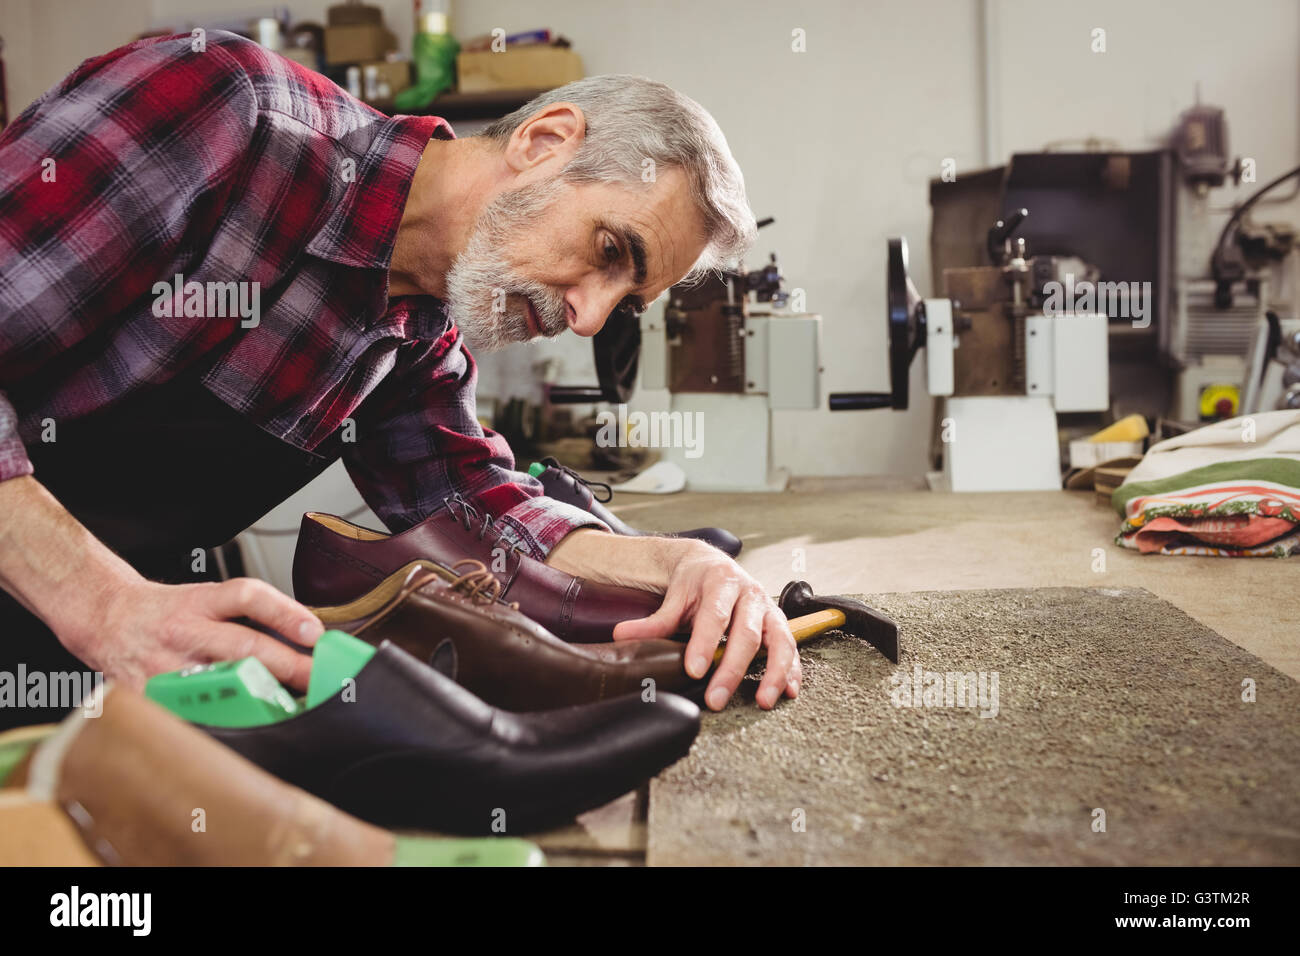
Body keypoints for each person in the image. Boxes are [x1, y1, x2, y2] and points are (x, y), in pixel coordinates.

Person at [0, 31, 799, 727]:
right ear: (545, 140)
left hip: (69, 659)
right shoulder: (229, 113)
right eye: (610, 252)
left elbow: (484, 510)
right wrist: (101, 603)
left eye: (627, 300)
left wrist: (682, 566)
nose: (589, 317)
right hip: (86, 617)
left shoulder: (418, 344)